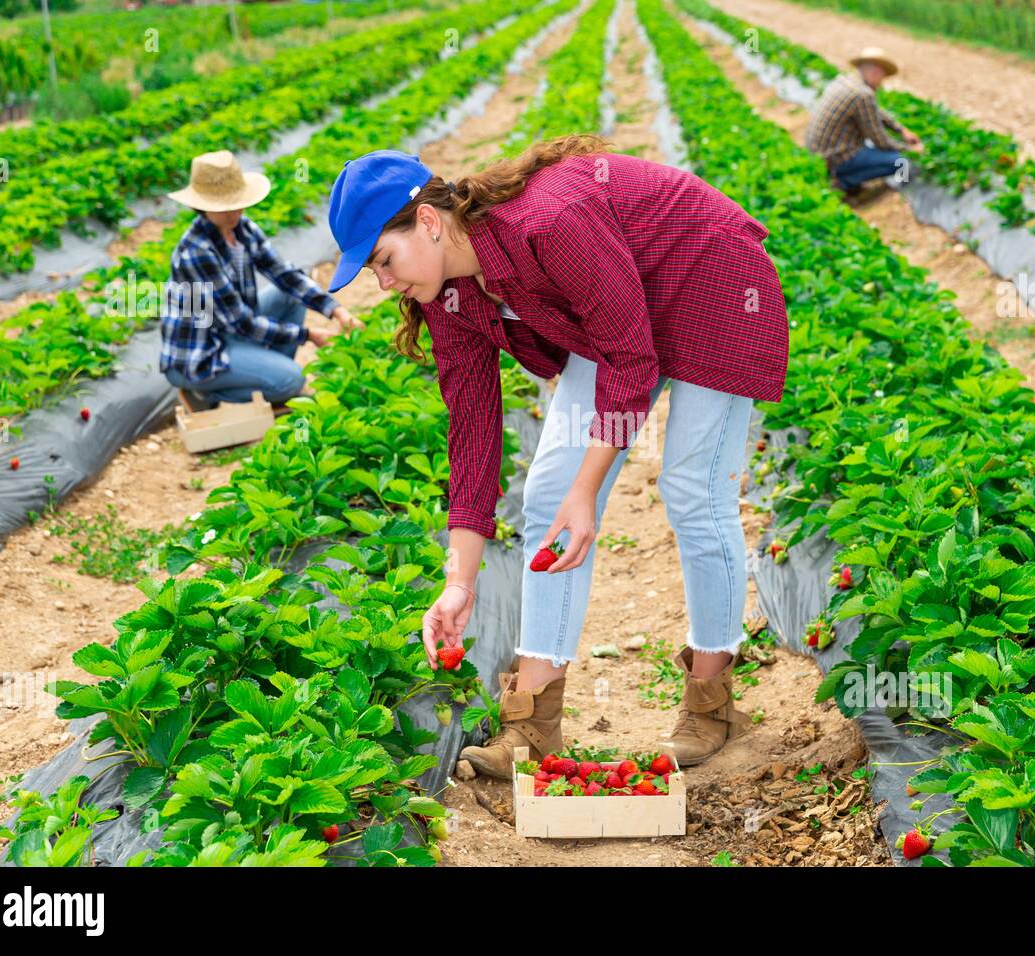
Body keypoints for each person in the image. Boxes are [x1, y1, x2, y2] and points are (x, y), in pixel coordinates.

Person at [325, 135, 790, 778]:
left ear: (427, 221)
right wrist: (459, 583)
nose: (382, 283)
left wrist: (590, 489)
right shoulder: (449, 295)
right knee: (548, 493)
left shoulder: (552, 221)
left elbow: (630, 357)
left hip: (714, 285)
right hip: (623, 313)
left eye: (382, 260)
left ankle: (711, 704)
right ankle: (534, 724)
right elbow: (474, 428)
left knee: (693, 490)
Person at [159, 149, 363, 411]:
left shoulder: (242, 228)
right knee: (292, 381)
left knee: (289, 291)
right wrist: (308, 335)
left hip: (232, 333)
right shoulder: (196, 252)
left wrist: (336, 310)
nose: (234, 212)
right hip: (201, 351)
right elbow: (242, 322)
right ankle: (208, 396)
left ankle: (268, 377)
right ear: (202, 207)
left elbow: (284, 274)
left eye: (237, 203)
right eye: (224, 207)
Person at [804, 47, 922, 199]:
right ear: (876, 72)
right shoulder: (863, 94)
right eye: (882, 77)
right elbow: (879, 140)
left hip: (818, 153)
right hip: (835, 158)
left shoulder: (846, 81)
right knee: (902, 162)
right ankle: (843, 181)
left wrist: (901, 130)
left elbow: (875, 111)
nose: (881, 83)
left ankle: (846, 177)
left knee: (872, 149)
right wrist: (910, 150)